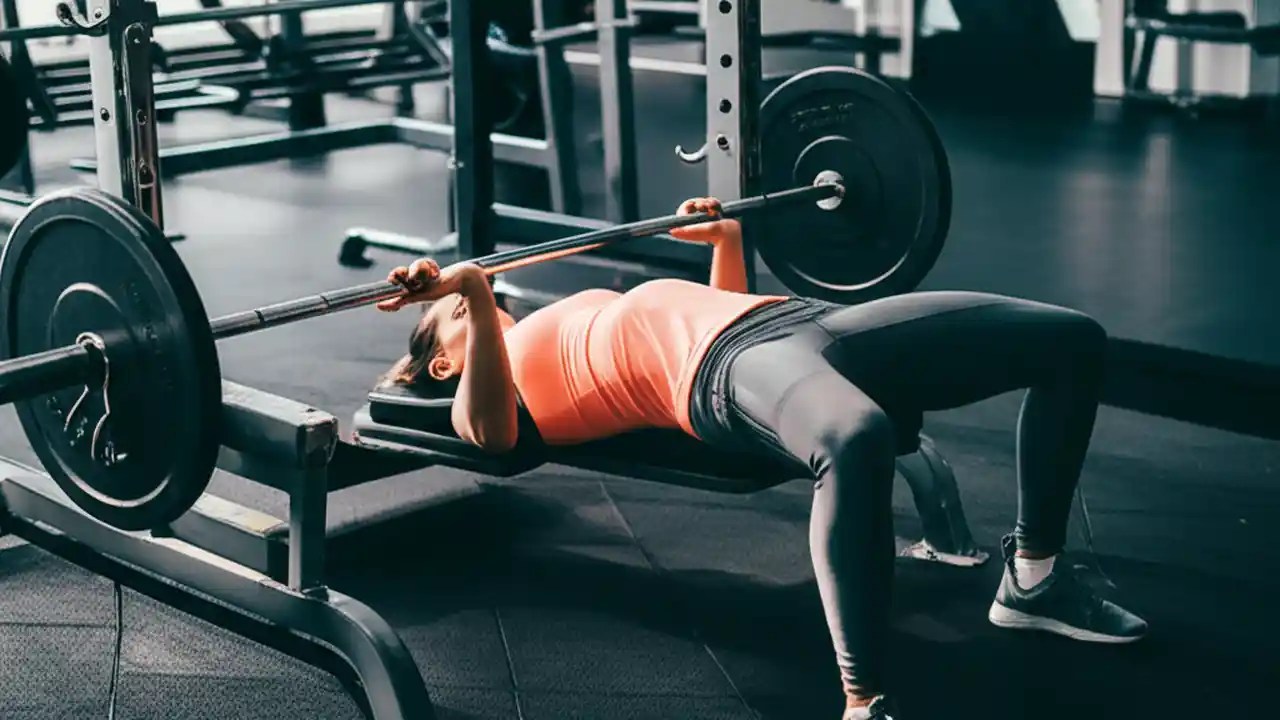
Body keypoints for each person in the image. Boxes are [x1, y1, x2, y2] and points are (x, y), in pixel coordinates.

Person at [376, 197, 1148, 720]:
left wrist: (725, 245)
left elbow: (707, 311)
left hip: (799, 324)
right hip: (723, 373)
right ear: (443, 361)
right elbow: (492, 437)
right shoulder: (485, 377)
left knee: (1070, 339)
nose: (487, 298)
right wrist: (469, 296)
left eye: (482, 295)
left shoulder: (529, 323)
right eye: (455, 309)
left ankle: (1035, 579)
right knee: (856, 435)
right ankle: (862, 698)